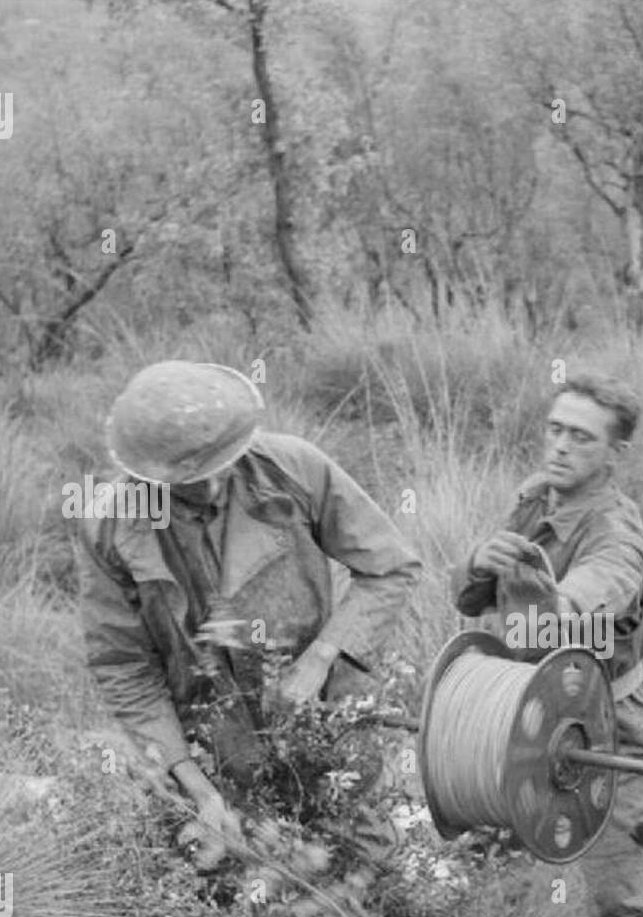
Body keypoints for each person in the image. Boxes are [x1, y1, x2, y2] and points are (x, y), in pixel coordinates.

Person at [78, 360, 421, 858]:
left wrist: (320, 659)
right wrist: (195, 785)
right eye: (191, 481)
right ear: (147, 473)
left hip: (323, 712)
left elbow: (391, 568)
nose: (214, 487)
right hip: (210, 740)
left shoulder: (294, 468)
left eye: (222, 466)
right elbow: (123, 666)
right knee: (239, 879)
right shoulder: (110, 526)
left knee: (362, 856)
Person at [450, 372, 643, 917]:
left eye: (580, 437)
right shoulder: (537, 498)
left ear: (614, 455)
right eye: (555, 430)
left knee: (621, 906)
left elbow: (570, 618)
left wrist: (535, 591)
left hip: (602, 720)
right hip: (527, 705)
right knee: (484, 847)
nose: (560, 447)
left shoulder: (617, 536)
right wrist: (479, 561)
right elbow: (470, 600)